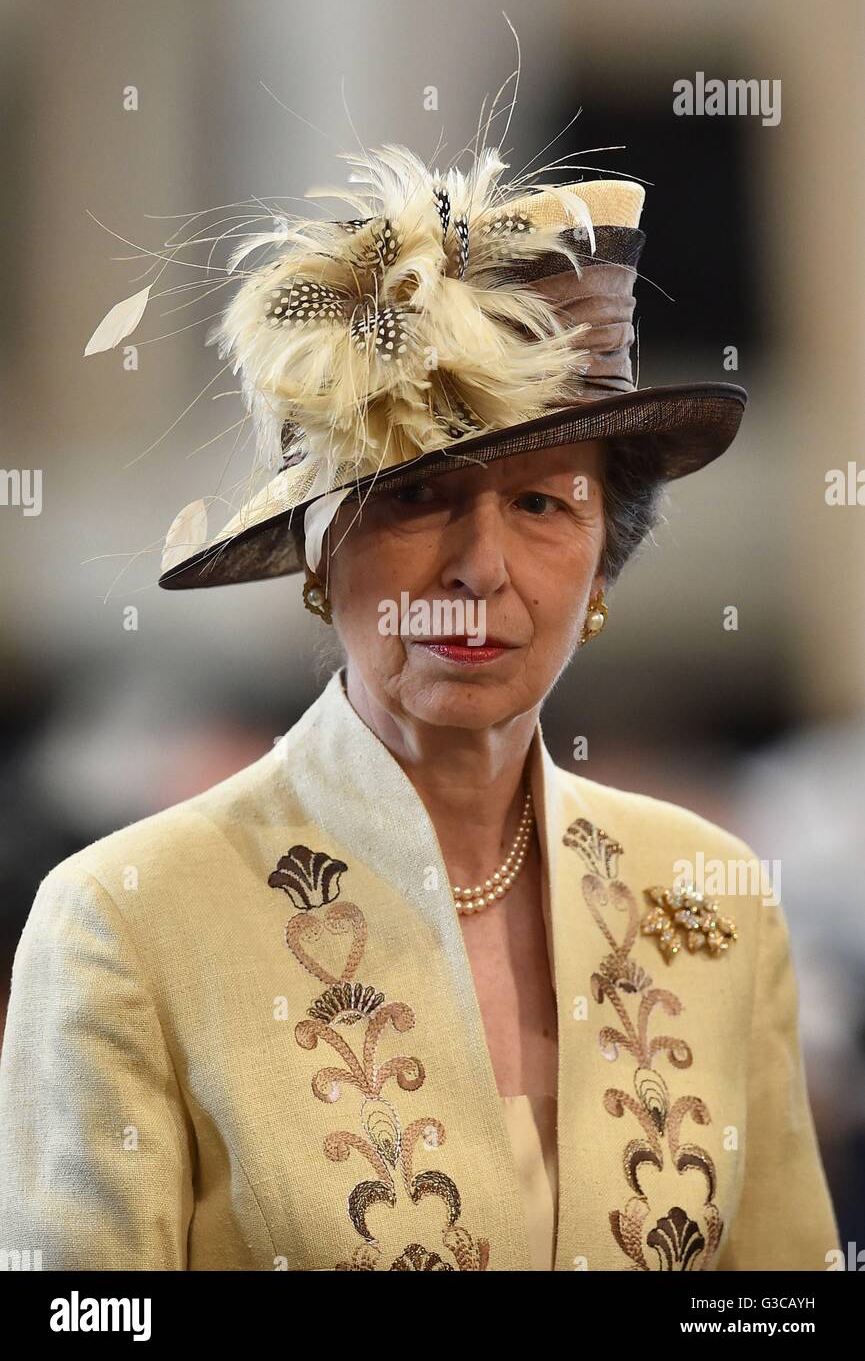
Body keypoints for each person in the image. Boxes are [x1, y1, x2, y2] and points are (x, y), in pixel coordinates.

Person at [0, 141, 838, 1271]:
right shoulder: (123, 920)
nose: (480, 566)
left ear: (601, 569)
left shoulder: (713, 897)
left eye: (543, 503)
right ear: (316, 551)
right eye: (415, 497)